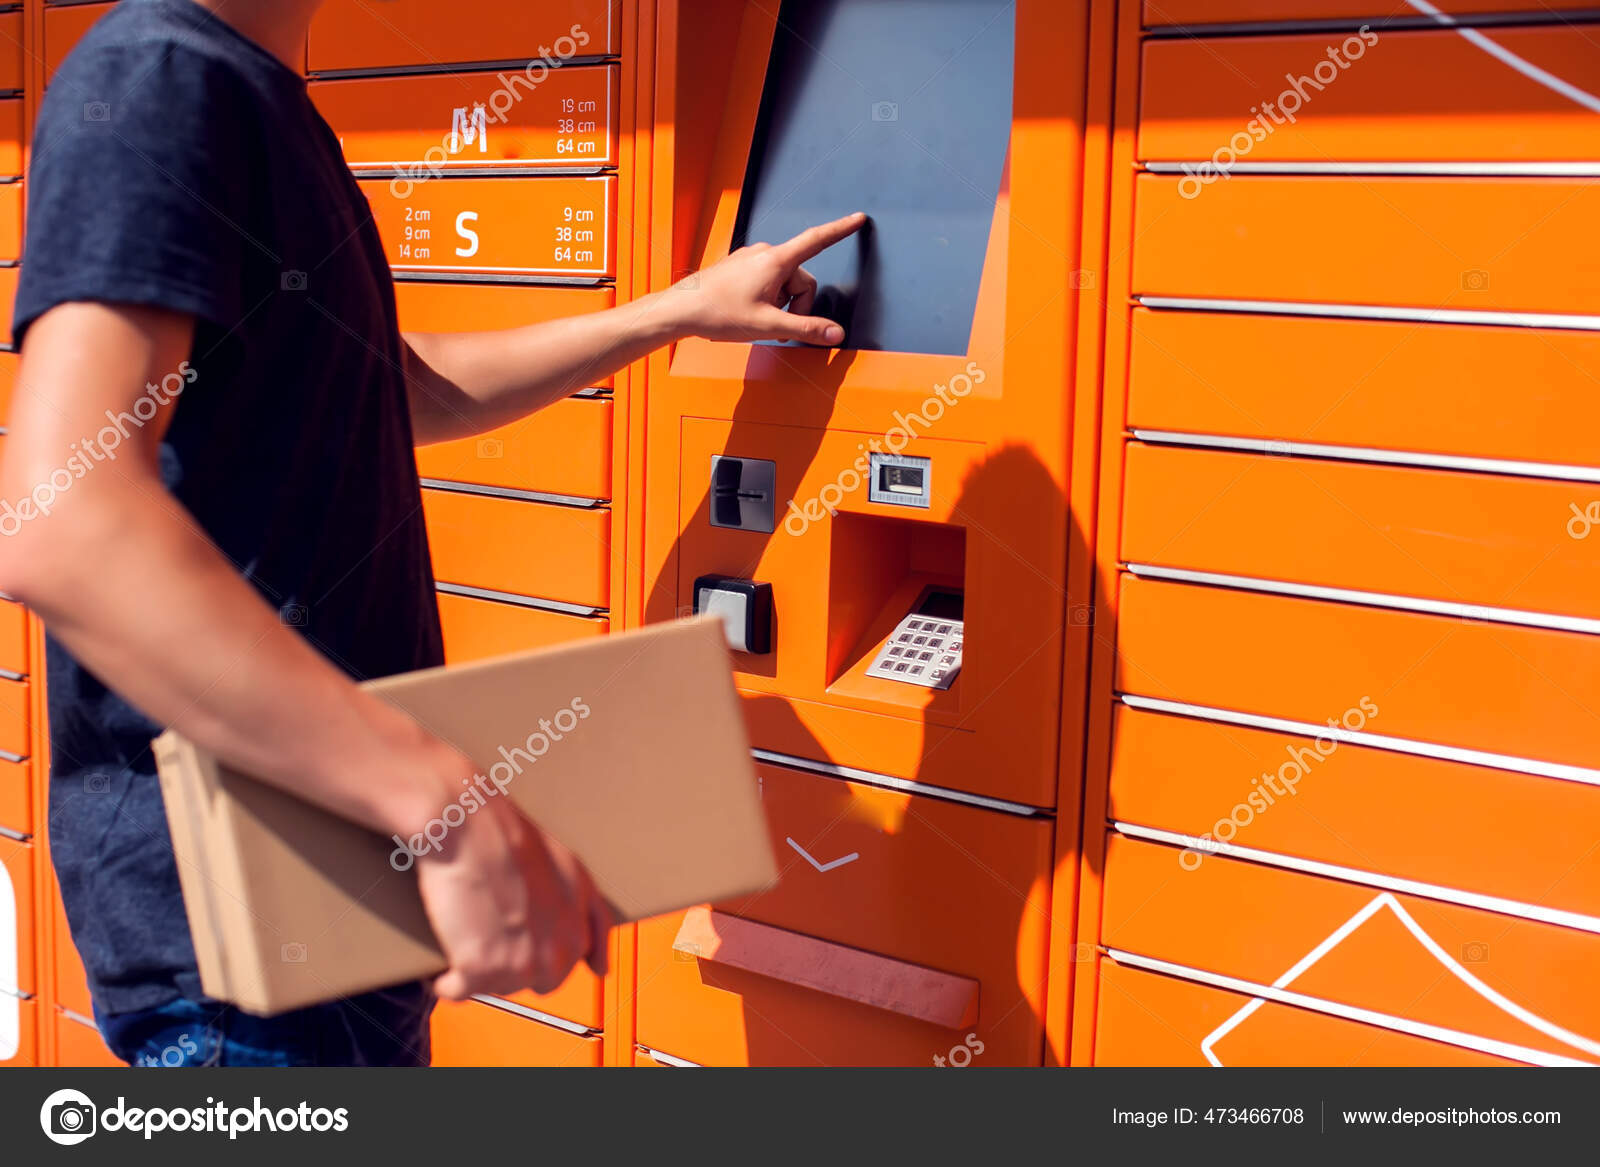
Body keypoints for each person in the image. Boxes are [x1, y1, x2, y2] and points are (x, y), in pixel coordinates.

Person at [0, 0, 863, 1067]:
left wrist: (673, 312)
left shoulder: (249, 91)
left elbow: (395, 387)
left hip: (326, 930)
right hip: (240, 958)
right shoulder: (161, 77)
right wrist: (438, 797)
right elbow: (60, 518)